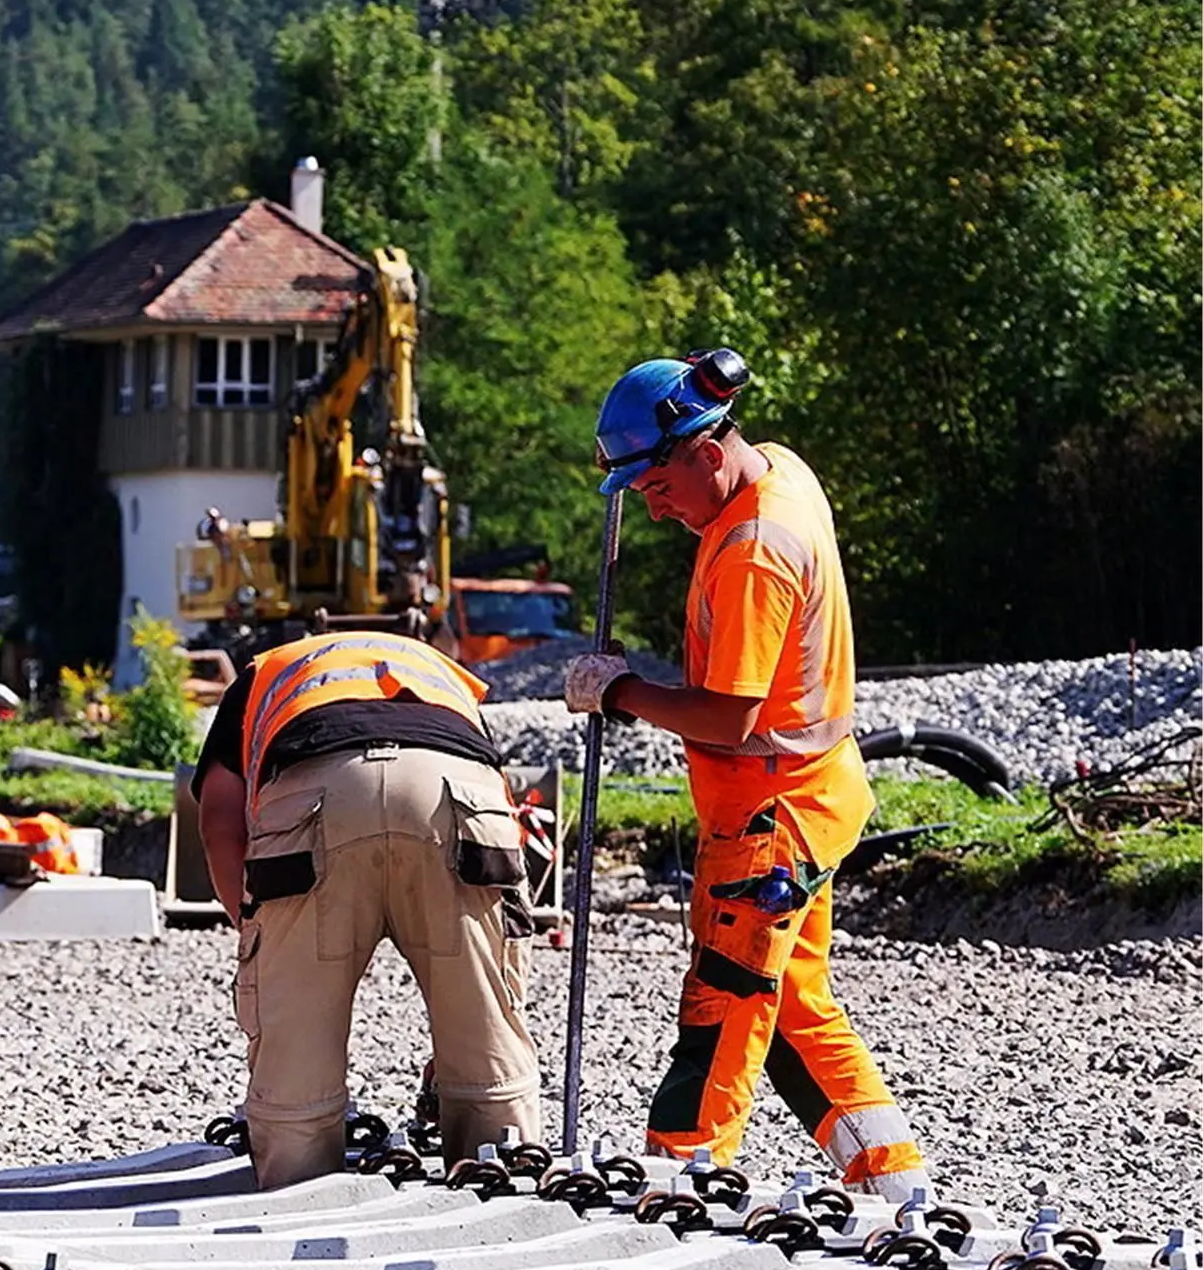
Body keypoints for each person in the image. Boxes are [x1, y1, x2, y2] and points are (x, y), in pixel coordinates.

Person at [565, 352, 929, 1200]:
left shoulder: (755, 550)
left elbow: (729, 716)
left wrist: (618, 691)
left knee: (726, 997)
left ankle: (677, 1179)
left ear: (704, 449)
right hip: (814, 794)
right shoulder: (783, 474)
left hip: (769, 817)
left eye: (656, 487)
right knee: (793, 1002)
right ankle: (898, 1187)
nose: (653, 510)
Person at [193, 627, 541, 1189]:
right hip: (454, 792)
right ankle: (501, 1178)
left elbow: (218, 823)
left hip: (318, 793)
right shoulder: (441, 673)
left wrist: (261, 931)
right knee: (486, 1052)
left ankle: (296, 1190)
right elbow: (500, 826)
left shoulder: (264, 673)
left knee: (295, 1085)